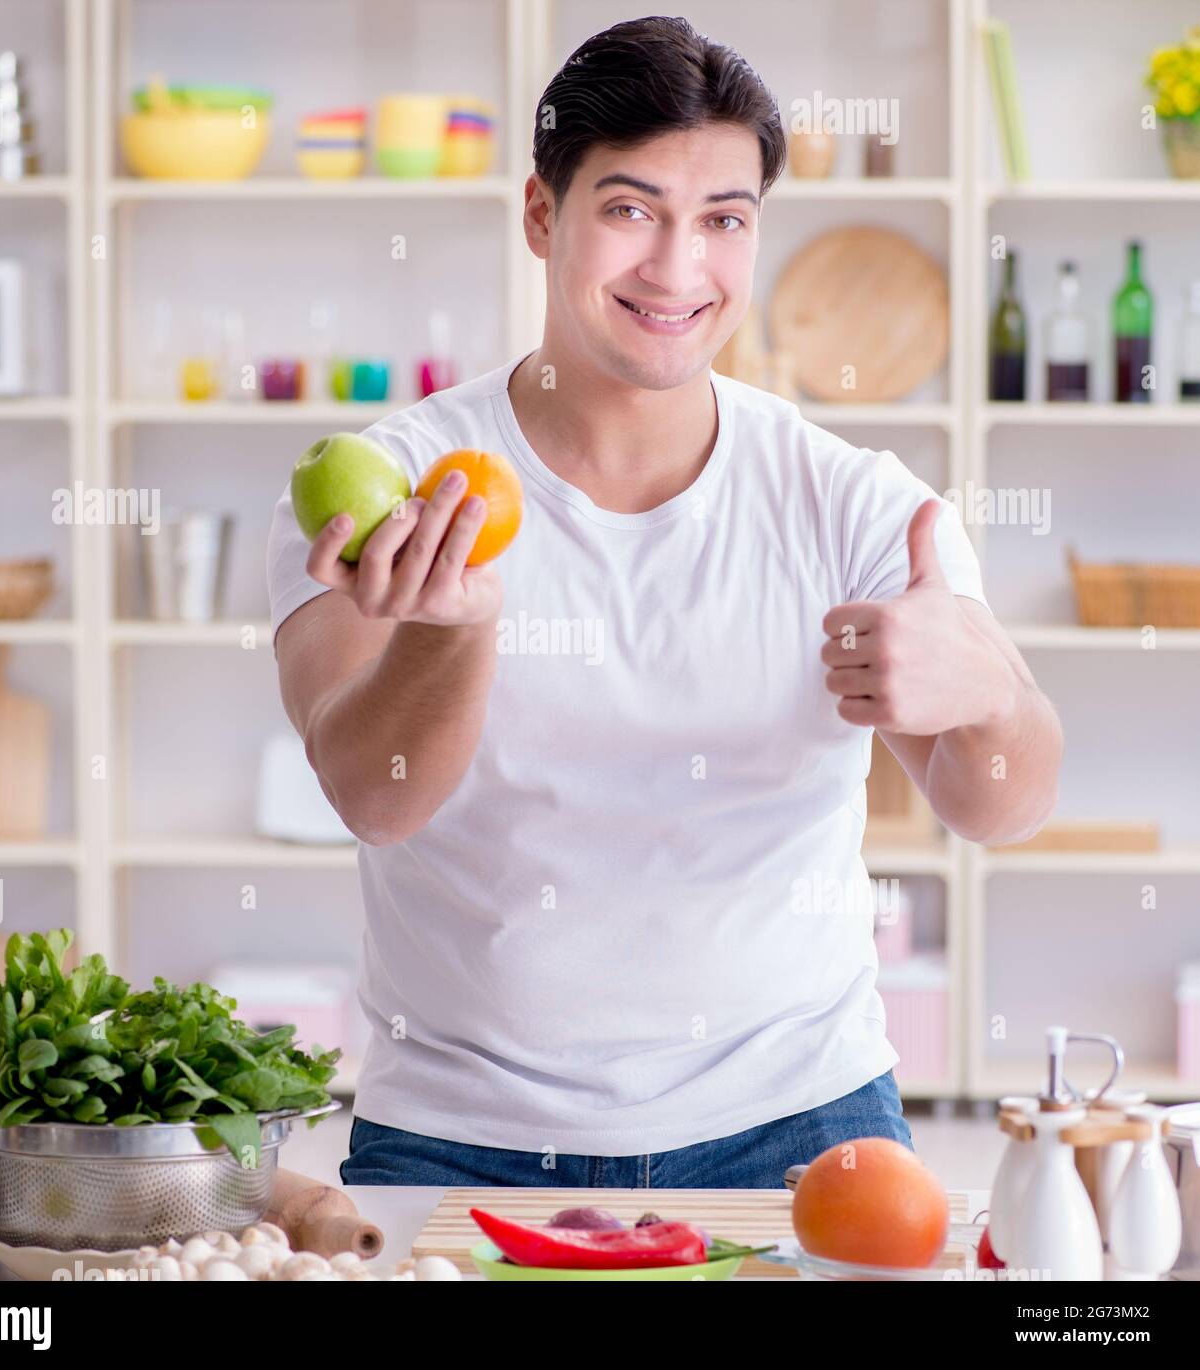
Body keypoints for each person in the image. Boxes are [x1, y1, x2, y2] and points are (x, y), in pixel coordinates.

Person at [266, 16, 1062, 1189]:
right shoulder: (387, 489)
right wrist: (456, 628)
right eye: (630, 210)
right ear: (543, 215)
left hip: (801, 1124)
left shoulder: (847, 500)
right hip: (459, 1134)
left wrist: (991, 693)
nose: (677, 268)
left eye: (723, 220)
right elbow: (372, 796)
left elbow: (1001, 807)